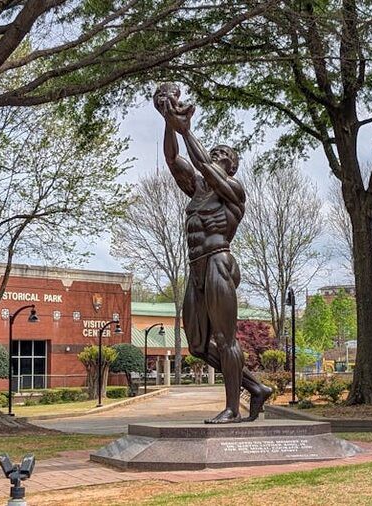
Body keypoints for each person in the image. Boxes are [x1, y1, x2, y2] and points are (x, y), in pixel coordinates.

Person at [153, 83, 272, 423]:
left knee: (225, 337)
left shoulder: (233, 192)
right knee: (198, 346)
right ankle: (255, 388)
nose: (217, 155)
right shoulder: (195, 191)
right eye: (215, 151)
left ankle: (233, 408)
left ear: (230, 167)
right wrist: (168, 121)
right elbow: (173, 158)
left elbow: (204, 164)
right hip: (196, 269)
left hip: (219, 262)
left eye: (224, 155)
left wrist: (186, 130)